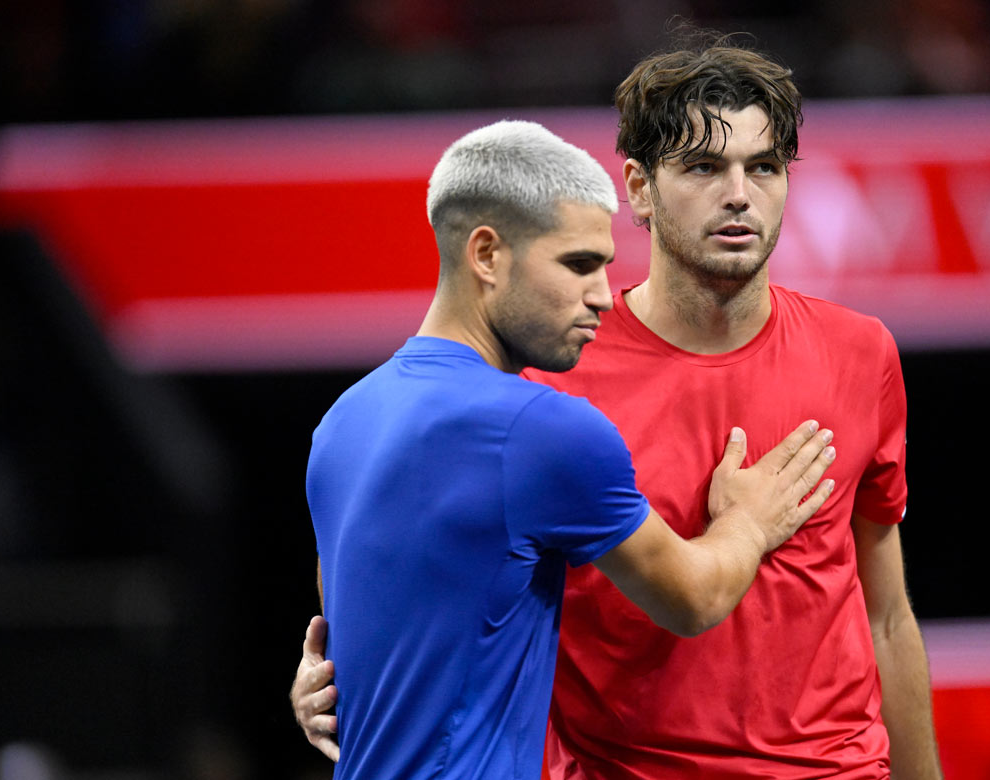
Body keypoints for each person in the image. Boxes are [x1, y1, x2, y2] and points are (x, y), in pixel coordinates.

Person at [293, 34, 944, 780]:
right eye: (703, 167)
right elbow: (401, 578)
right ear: (637, 187)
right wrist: (335, 679)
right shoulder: (542, 390)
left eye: (762, 167)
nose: (739, 193)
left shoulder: (861, 353)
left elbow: (886, 616)